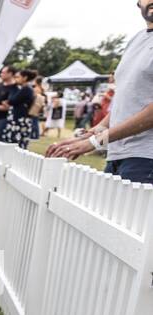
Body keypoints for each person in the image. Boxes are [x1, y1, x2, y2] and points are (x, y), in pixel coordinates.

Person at [49, 1, 153, 183]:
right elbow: (128, 102)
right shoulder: (137, 39)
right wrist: (97, 131)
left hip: (146, 158)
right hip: (117, 154)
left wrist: (94, 143)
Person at [0, 68, 34, 148]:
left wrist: (13, 86)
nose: (15, 79)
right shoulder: (24, 89)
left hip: (20, 121)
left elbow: (12, 100)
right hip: (17, 120)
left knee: (16, 143)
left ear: (25, 78)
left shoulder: (26, 89)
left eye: (17, 77)